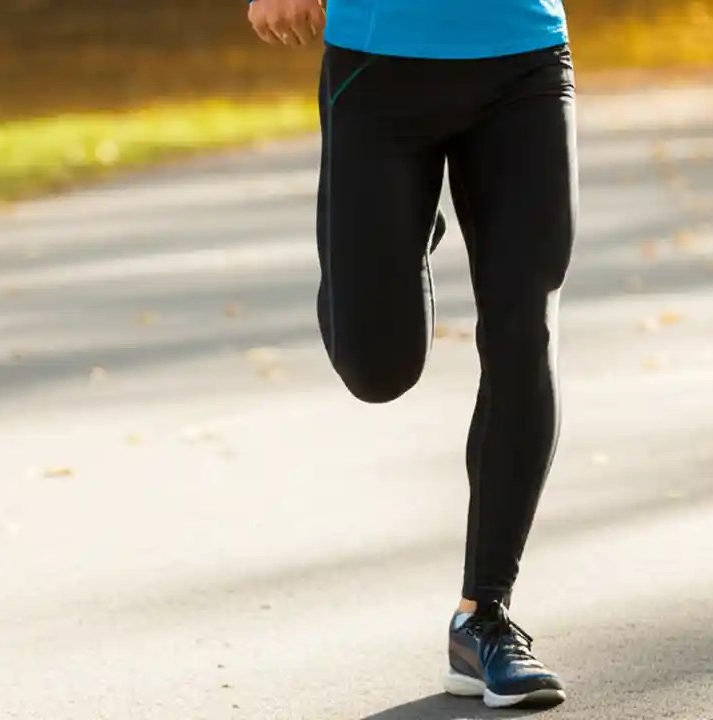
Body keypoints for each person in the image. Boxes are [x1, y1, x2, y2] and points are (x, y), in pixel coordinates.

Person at [247, 0, 576, 709]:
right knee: (378, 367)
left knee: (526, 326)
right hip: (378, 61)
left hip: (524, 59)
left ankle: (483, 616)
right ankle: (391, 236)